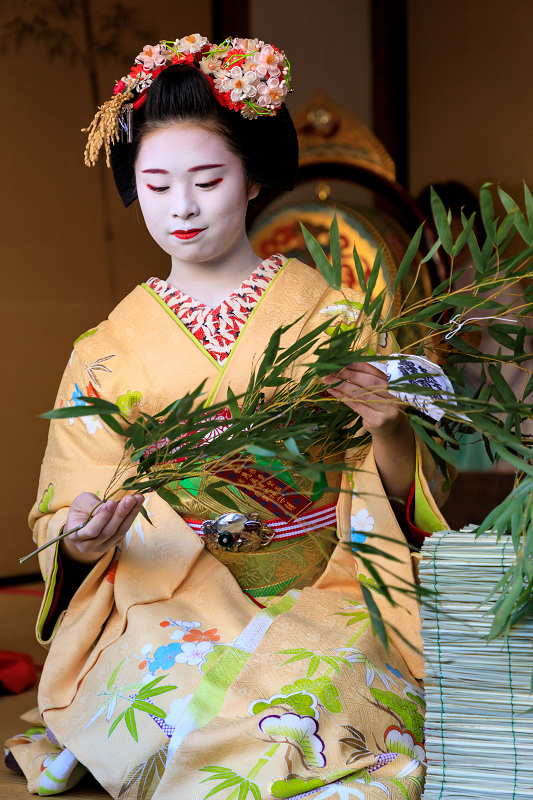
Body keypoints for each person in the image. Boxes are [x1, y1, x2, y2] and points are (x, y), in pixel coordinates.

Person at [8, 36, 450, 799]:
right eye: (155, 185)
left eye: (206, 179)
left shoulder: (332, 318)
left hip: (326, 584)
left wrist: (388, 428)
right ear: (133, 189)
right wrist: (79, 541)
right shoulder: (106, 351)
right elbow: (65, 509)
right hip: (168, 591)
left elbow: (404, 498)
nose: (180, 206)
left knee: (314, 693)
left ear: (250, 179)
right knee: (184, 694)